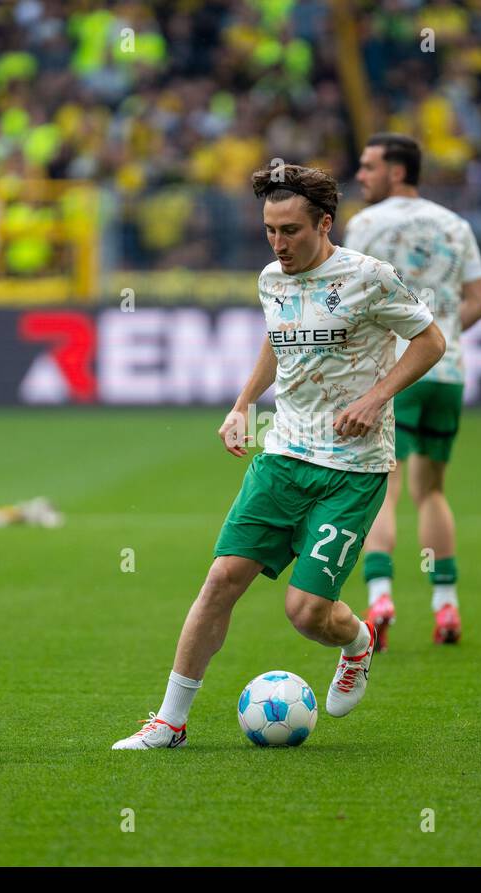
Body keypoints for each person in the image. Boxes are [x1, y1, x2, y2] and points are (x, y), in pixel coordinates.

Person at [112, 163, 445, 749]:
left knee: (305, 613)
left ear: (324, 223)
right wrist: (243, 403)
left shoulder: (371, 278)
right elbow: (278, 334)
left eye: (290, 230)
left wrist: (376, 397)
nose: (278, 243)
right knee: (221, 579)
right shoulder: (272, 279)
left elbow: (431, 341)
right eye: (270, 229)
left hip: (352, 469)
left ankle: (356, 641)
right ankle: (169, 721)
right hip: (283, 456)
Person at [342, 133, 481, 648]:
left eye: (368, 167)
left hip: (392, 379)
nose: (360, 176)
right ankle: (446, 607)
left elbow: (347, 300)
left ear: (397, 172)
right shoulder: (456, 224)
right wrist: (437, 335)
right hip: (446, 374)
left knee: (385, 488)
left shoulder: (364, 225)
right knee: (433, 492)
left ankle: (380, 595)